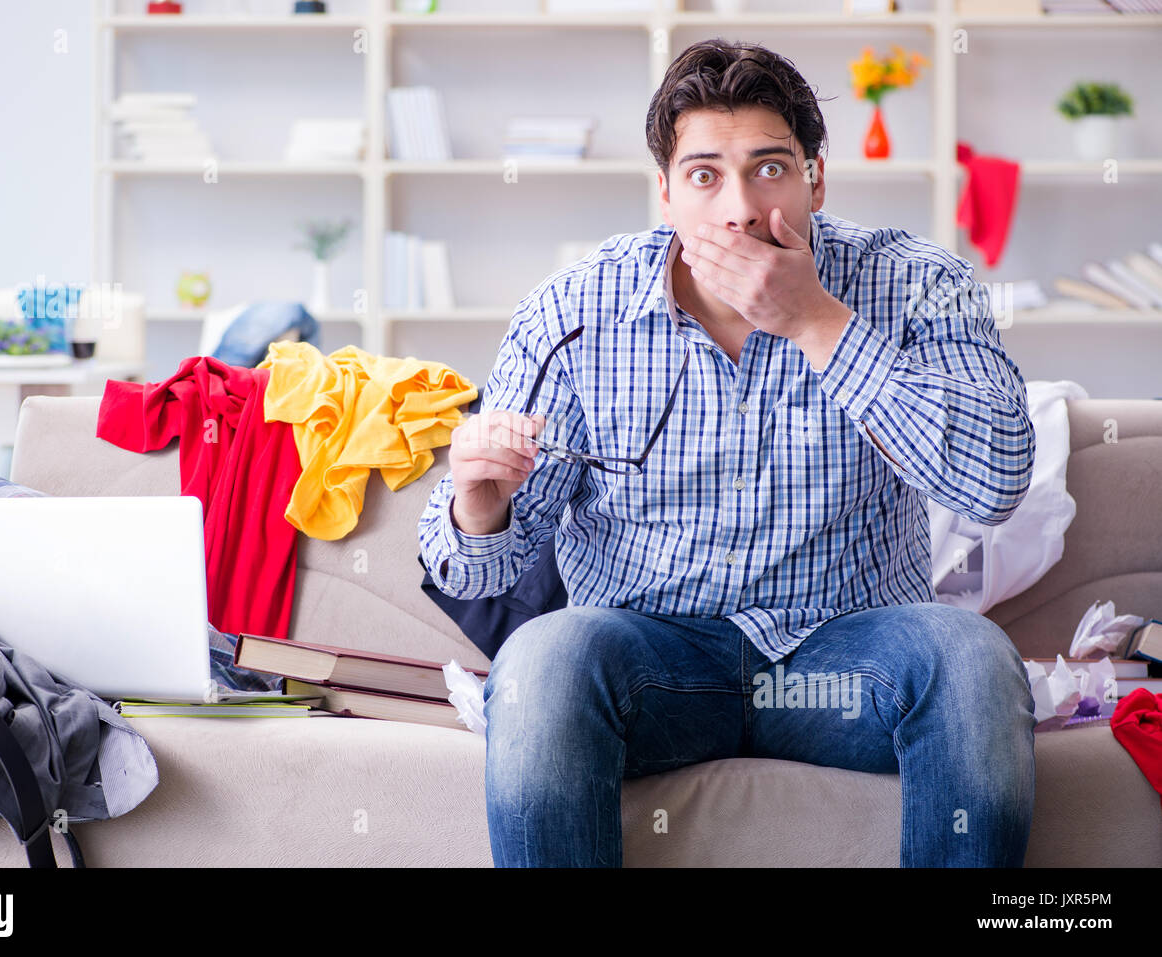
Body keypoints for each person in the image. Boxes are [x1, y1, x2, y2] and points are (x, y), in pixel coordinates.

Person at [417, 38, 1037, 867]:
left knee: (971, 660)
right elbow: (478, 574)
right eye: (705, 175)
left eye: (770, 168)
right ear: (666, 194)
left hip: (844, 668)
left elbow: (996, 481)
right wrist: (480, 505)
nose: (740, 208)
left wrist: (819, 321)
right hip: (655, 673)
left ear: (817, 178)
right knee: (542, 658)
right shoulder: (574, 310)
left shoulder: (919, 285)